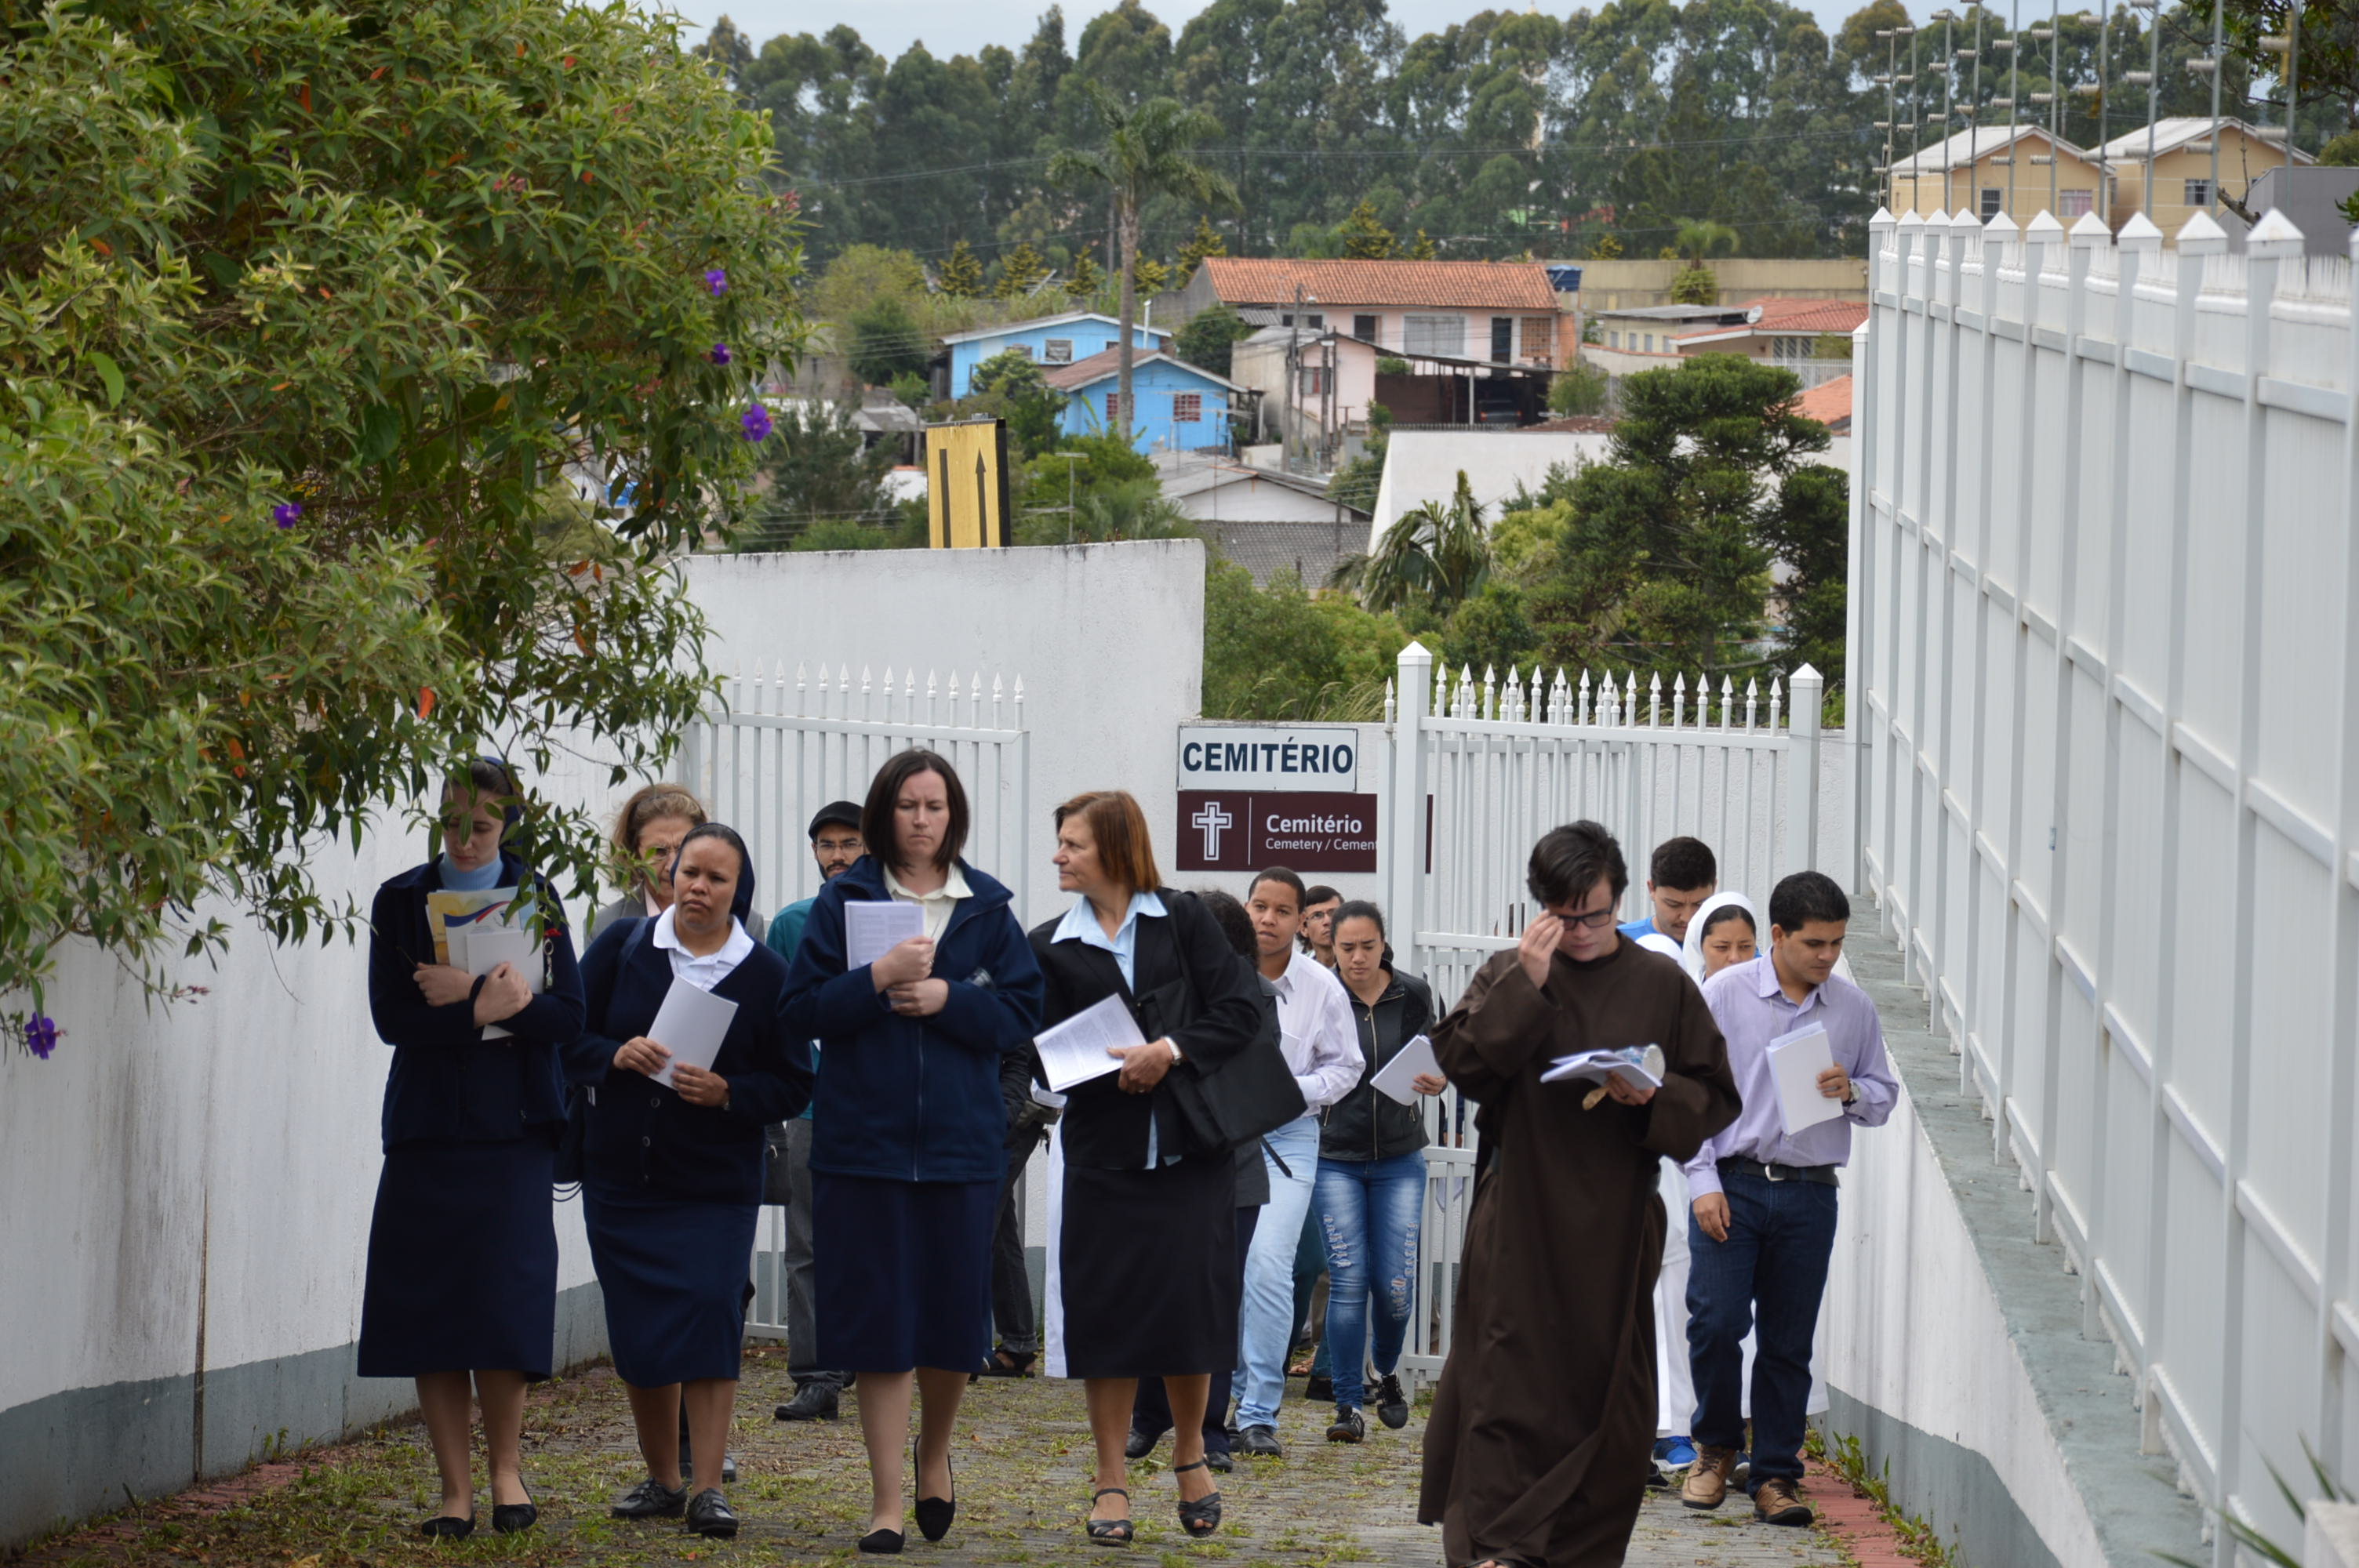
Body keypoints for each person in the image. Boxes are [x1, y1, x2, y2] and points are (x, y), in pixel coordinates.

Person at [1419, 820, 1741, 1568]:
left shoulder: (1660, 982)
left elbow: (1717, 1096)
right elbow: (1459, 1067)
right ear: (1542, 908)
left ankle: (1571, 1550)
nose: (1583, 930)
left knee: (1611, 1401)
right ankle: (1498, 1546)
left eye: (1596, 913)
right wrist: (1523, 990)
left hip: (1614, 1219)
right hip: (1521, 1211)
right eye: (1565, 916)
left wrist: (1649, 1100)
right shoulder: (1512, 969)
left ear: (1620, 898)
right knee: (1506, 1386)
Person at [781, 750, 1043, 1555]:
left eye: (934, 805)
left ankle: (935, 1455)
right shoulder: (843, 900)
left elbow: (1023, 1016)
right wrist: (877, 977)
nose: (921, 818)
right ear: (882, 814)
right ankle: (887, 1496)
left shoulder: (986, 905)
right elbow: (797, 1010)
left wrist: (947, 997)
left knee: (948, 1321)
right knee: (881, 1324)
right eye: (906, 804)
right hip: (864, 1146)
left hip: (961, 1150)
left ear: (952, 814)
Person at [359, 757, 587, 1540]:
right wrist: (470, 1008)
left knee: (502, 1302)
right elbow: (392, 1018)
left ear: (507, 826)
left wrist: (498, 1005)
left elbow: (569, 1016)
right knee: (431, 1304)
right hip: (428, 1127)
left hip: (514, 1128)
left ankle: (506, 1474)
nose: (463, 838)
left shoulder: (538, 895)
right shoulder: (399, 899)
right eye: (451, 821)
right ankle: (453, 1489)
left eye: (482, 826)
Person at [1030, 790, 1263, 1545]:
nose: (1059, 856)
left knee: (1189, 1312)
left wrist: (1168, 1051)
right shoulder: (1047, 945)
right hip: (1105, 1155)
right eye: (1060, 843)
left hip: (1193, 1153)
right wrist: (1088, 1070)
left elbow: (1239, 1013)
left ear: (1117, 850)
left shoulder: (1186, 920)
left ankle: (1191, 1454)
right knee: (1111, 1317)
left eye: (1073, 844)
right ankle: (1110, 1481)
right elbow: (1038, 1053)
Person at [573, 823, 812, 1540]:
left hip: (714, 1183)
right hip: (622, 1178)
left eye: (717, 879)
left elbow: (796, 1080)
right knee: (640, 1331)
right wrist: (614, 1054)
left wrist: (730, 1093)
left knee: (711, 1315)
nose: (699, 888)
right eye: (689, 872)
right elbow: (564, 1033)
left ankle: (709, 1486)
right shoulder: (622, 949)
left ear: (740, 893)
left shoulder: (767, 973)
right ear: (670, 875)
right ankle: (663, 1480)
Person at [1681, 873, 1895, 1528]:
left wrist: (1851, 1091)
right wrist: (1702, 1179)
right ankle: (1716, 1448)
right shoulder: (1723, 994)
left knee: (1787, 1341)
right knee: (1715, 1323)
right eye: (1814, 943)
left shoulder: (1853, 1009)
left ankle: (1775, 1474)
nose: (1827, 956)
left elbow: (1883, 1096)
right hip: (1734, 1183)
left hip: (1809, 1193)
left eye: (1836, 943)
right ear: (1776, 936)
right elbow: (1689, 1093)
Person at [1127, 888, 1274, 1473]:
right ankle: (1149, 1415)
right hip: (1160, 1164)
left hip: (1231, 1170)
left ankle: (1211, 1429)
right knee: (1154, 1292)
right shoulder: (1151, 993)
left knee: (1216, 1301)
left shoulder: (1249, 997)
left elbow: (1250, 1072)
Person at [1232, 867, 1363, 1459]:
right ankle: (1213, 1404)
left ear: (1303, 920)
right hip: (1221, 1135)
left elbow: (1346, 1066)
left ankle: (1258, 1411)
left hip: (1287, 1137)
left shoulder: (1321, 987)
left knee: (1267, 1264)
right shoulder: (1218, 973)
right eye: (1259, 906)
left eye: (1282, 910)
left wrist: (1295, 1089)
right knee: (1218, 1267)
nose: (1267, 918)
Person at [1315, 901, 1443, 1444]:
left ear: (1383, 943)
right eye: (1347, 948)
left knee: (1394, 1287)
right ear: (1331, 947)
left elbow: (1436, 1056)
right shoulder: (1319, 994)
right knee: (1348, 1282)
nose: (1358, 958)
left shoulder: (1412, 993)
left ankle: (1385, 1371)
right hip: (1332, 1157)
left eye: (1368, 946)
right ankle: (1346, 1405)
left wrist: (1438, 1079)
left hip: (1398, 1157)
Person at [767, 800, 865, 1423]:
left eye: (848, 843)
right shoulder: (791, 923)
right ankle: (814, 1373)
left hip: (874, 1108)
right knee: (805, 1242)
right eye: (826, 844)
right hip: (808, 1106)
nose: (837, 855)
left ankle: (870, 1354)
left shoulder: (891, 921)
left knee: (871, 1239)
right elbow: (780, 1016)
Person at [592, 783, 767, 944]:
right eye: (659, 851)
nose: (672, 866)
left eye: (682, 848)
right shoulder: (605, 925)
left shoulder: (746, 925)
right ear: (633, 853)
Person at [1617, 836, 1717, 946]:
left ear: (1714, 888)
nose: (1687, 918)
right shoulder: (1615, 944)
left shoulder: (1732, 950)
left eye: (1699, 904)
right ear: (1652, 889)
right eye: (1674, 905)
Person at [1299, 885, 1342, 967]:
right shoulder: (1297, 968)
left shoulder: (1359, 966)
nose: (1327, 921)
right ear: (1304, 929)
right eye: (1317, 916)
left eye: (1333, 913)